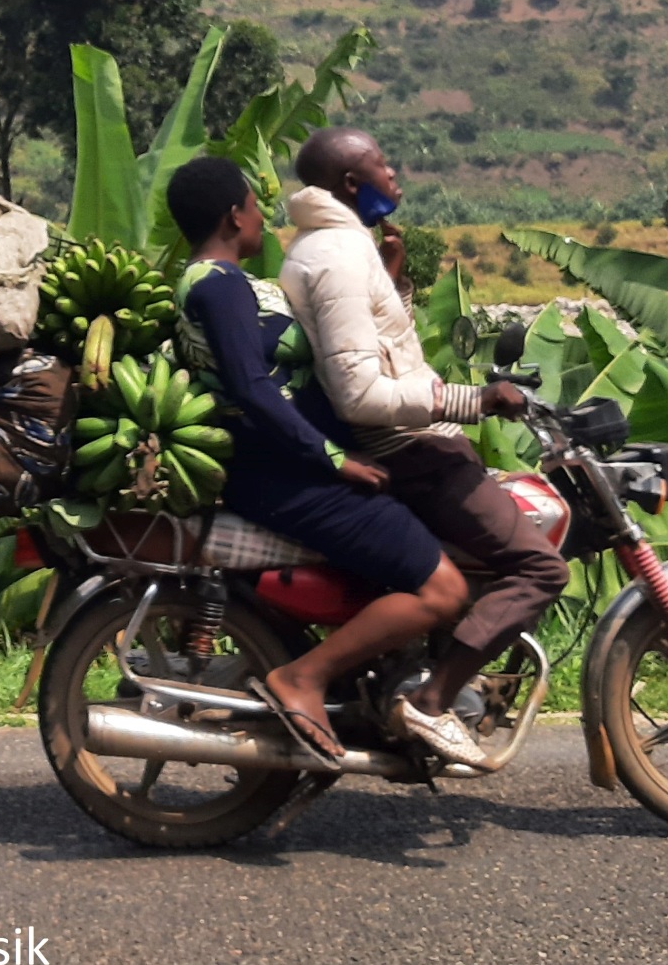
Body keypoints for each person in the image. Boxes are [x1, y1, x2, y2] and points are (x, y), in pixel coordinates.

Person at [280, 126, 570, 770]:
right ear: (351, 184)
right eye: (381, 164)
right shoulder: (337, 257)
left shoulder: (338, 250)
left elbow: (376, 345)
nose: (395, 174)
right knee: (543, 569)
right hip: (409, 449)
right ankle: (432, 703)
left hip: (409, 443)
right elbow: (359, 391)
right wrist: (474, 401)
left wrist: (395, 286)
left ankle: (426, 675)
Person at [165, 156, 469, 769]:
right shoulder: (218, 285)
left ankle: (369, 688)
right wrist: (333, 460)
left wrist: (382, 281)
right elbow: (253, 388)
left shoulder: (216, 281)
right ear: (234, 214)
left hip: (288, 469)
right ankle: (302, 679)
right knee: (443, 590)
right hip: (287, 477)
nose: (261, 220)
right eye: (254, 207)